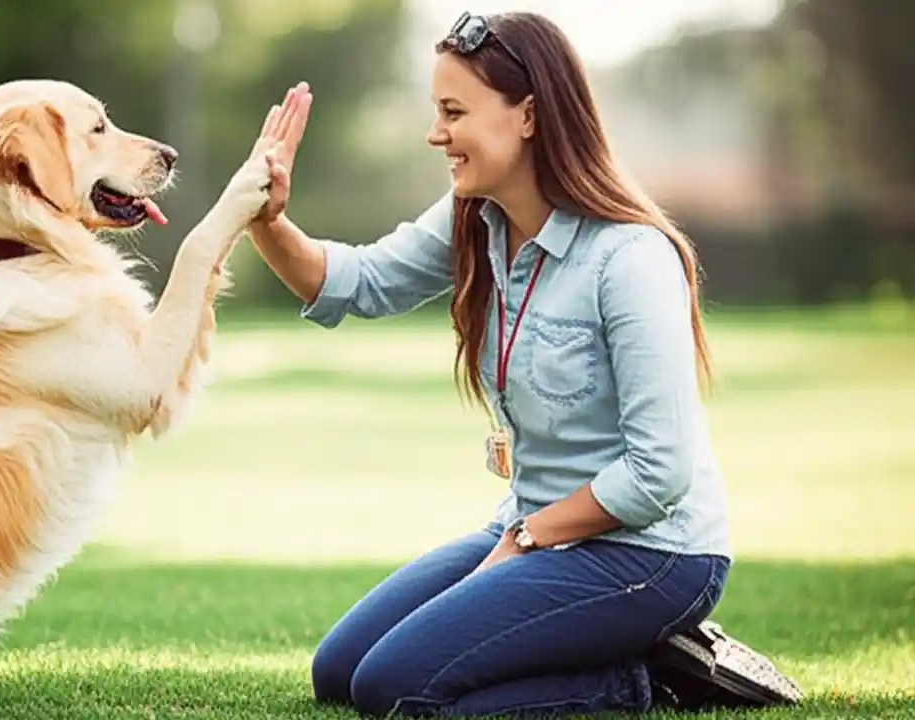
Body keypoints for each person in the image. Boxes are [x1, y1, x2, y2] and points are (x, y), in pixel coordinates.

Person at [244, 11, 805, 718]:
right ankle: (618, 656)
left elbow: (659, 474)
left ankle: (640, 680)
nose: (434, 133)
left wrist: (525, 538)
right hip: (536, 522)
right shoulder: (474, 220)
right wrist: (265, 216)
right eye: (435, 111)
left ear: (530, 115)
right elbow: (353, 281)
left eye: (453, 112)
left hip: (653, 554)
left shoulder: (629, 260)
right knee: (340, 670)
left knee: (394, 688)